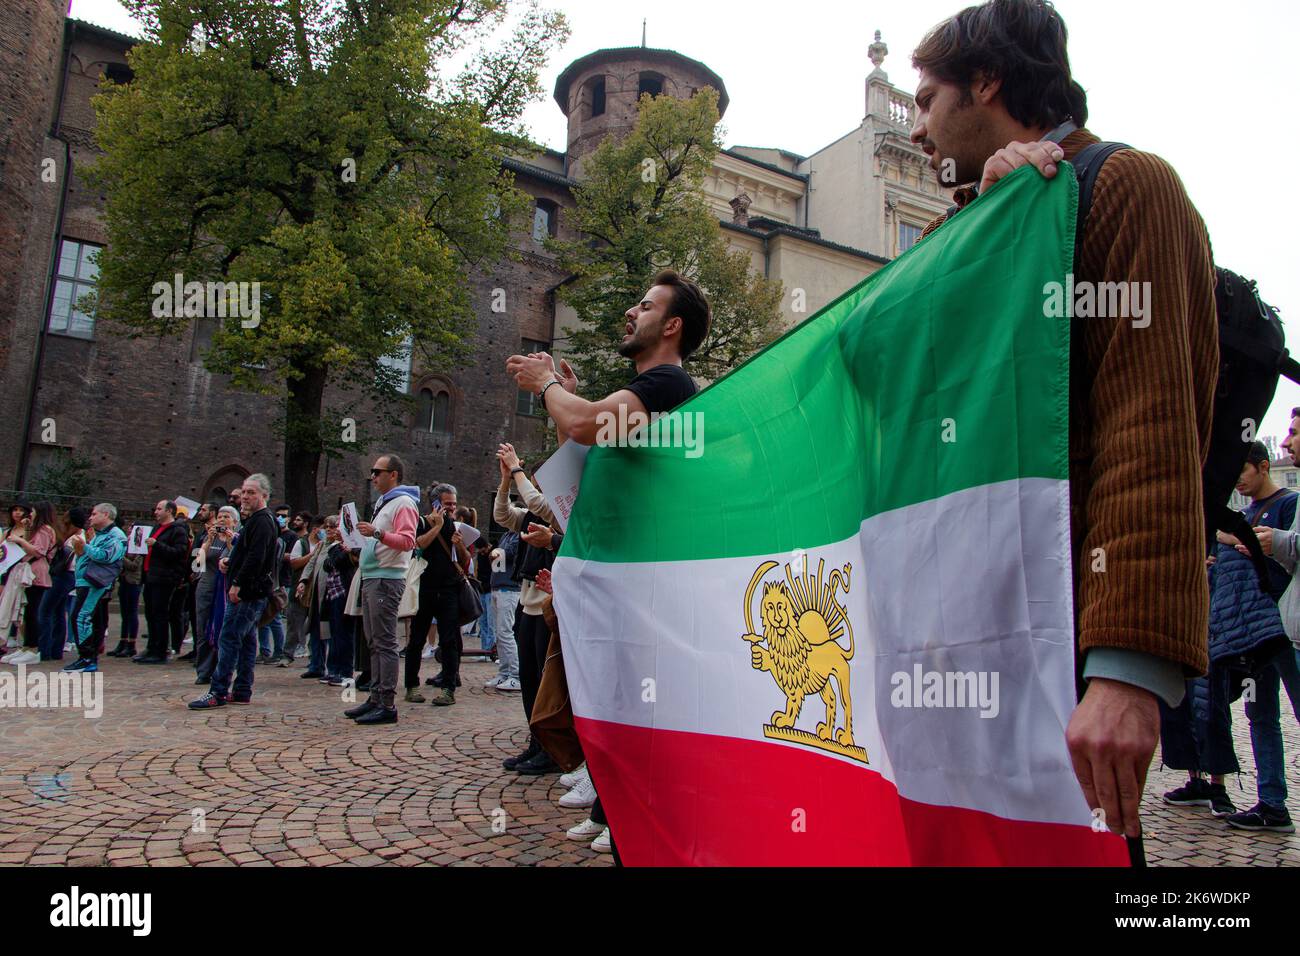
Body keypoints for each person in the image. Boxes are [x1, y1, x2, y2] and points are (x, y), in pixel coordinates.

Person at [902, 0, 1217, 840]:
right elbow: (876, 377)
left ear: (989, 81)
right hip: (960, 634)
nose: (919, 128)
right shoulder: (976, 222)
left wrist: (1126, 671)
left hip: (1062, 639)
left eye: (927, 98)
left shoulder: (1123, 184)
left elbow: (1150, 428)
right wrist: (982, 239)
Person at [508, 269, 708, 857]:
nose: (631, 312)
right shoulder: (650, 392)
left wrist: (548, 385)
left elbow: (584, 423)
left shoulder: (670, 382)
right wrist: (568, 391)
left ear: (671, 326)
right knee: (618, 734)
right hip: (624, 595)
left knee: (639, 740)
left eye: (644, 306)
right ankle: (623, 829)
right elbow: (590, 431)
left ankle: (636, 839)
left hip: (643, 599)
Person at [189, 474, 279, 708]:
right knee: (247, 641)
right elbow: (247, 552)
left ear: (264, 496)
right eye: (244, 492)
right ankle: (241, 690)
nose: (245, 496)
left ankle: (218, 691)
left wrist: (237, 582)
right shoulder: (257, 520)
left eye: (252, 493)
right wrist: (231, 562)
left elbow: (257, 558)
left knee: (228, 638)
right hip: (248, 588)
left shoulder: (262, 521)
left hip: (248, 591)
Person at [344, 454, 418, 725]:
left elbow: (408, 541)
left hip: (387, 579)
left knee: (385, 642)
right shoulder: (385, 502)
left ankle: (386, 703)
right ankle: (375, 697)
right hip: (374, 576)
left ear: (394, 474)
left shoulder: (404, 503)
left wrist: (376, 534)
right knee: (373, 641)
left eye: (378, 471)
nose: (373, 476)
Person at [404, 484, 470, 706]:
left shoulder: (455, 525)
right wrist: (437, 527)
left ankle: (448, 688)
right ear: (435, 503)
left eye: (453, 503)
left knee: (450, 640)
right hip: (425, 588)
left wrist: (459, 545)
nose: (451, 507)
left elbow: (463, 560)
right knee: (416, 639)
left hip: (449, 589)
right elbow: (418, 544)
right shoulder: (422, 522)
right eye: (447, 503)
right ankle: (411, 686)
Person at [62, 503, 128, 673]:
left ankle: (87, 658)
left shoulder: (116, 535)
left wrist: (84, 546)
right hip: (86, 581)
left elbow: (106, 556)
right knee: (86, 618)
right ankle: (87, 658)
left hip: (95, 583)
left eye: (94, 514)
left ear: (105, 514)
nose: (90, 517)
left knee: (81, 618)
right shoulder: (101, 534)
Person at [2, 501, 57, 664]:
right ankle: (26, 646)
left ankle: (33, 648)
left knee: (33, 612)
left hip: (36, 573)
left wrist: (20, 541)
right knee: (26, 613)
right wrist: (26, 532)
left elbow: (38, 551)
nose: (29, 515)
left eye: (32, 512)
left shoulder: (45, 530)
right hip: (27, 572)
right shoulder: (34, 529)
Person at [137, 500, 192, 664]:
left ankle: (161, 651)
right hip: (150, 576)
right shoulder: (156, 528)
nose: (156, 512)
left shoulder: (178, 530)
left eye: (159, 509)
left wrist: (157, 545)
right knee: (150, 613)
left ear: (169, 511)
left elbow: (179, 553)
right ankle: (151, 647)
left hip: (164, 578)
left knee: (160, 614)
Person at [194, 506, 240, 684]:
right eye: (219, 516)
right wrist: (209, 540)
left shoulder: (237, 539)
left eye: (226, 516)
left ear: (235, 522)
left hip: (225, 588)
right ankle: (203, 671)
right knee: (203, 628)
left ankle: (221, 670)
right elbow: (197, 564)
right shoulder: (209, 537)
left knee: (223, 629)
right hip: (206, 586)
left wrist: (229, 542)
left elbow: (235, 561)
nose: (221, 519)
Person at [36, 507, 85, 662]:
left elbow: (69, 559)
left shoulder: (75, 538)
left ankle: (44, 649)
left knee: (45, 611)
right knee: (58, 613)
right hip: (67, 576)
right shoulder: (73, 535)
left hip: (64, 575)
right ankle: (55, 650)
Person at [321, 516, 358, 687]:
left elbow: (338, 562)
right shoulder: (334, 547)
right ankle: (334, 669)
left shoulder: (351, 547)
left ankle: (346, 671)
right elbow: (327, 565)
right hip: (333, 593)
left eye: (335, 527)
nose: (331, 530)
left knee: (344, 633)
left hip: (344, 592)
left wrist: (341, 552)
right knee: (335, 633)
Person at [485, 530, 521, 691]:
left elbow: (508, 554)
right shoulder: (507, 535)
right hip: (497, 586)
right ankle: (504, 672)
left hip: (510, 589)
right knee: (499, 634)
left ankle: (516, 674)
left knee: (506, 632)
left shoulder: (519, 535)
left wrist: (494, 552)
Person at [277, 511, 313, 664]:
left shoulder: (328, 544)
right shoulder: (302, 542)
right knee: (293, 622)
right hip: (298, 586)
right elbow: (294, 562)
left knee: (317, 626)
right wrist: (312, 555)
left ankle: (315, 658)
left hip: (317, 590)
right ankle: (287, 654)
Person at [107, 538, 144, 658]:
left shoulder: (140, 549)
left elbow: (134, 566)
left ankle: (131, 644)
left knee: (132, 613)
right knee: (124, 614)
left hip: (133, 582)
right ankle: (122, 641)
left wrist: (121, 557)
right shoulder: (126, 547)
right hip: (124, 581)